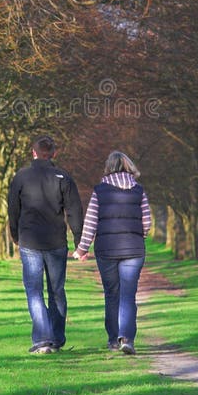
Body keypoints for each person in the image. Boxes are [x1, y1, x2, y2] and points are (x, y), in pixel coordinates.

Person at [8, 134, 84, 355]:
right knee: (57, 291)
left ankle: (42, 340)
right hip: (56, 242)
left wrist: (15, 234)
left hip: (29, 240)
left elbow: (13, 209)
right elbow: (75, 211)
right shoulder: (64, 177)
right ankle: (57, 339)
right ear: (54, 154)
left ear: (33, 153)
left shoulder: (21, 177)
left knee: (34, 291)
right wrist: (80, 241)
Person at [73, 151, 152, 355]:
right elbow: (147, 223)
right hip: (134, 249)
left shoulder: (100, 191)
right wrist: (137, 235)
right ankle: (127, 338)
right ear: (128, 166)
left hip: (106, 249)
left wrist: (82, 248)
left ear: (108, 167)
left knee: (111, 294)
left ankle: (113, 340)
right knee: (128, 295)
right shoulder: (138, 190)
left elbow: (90, 222)